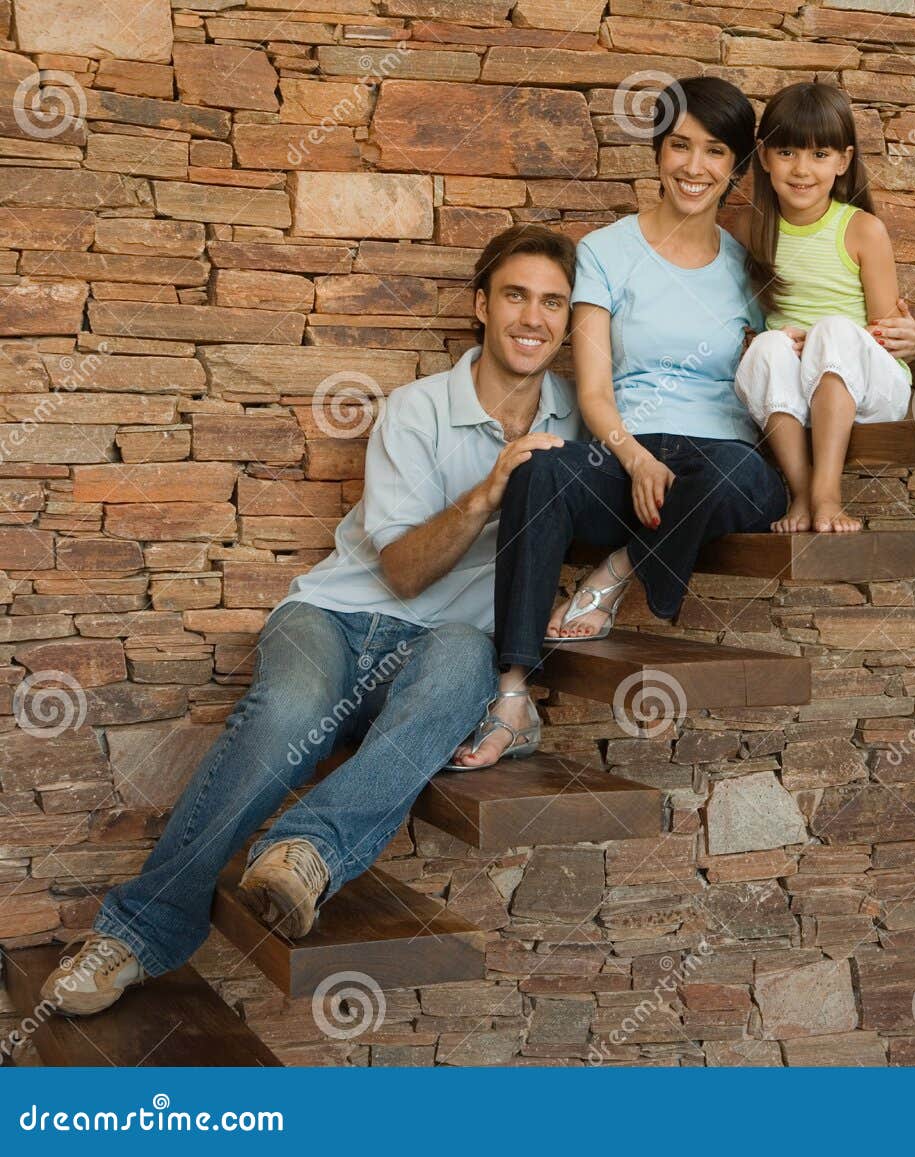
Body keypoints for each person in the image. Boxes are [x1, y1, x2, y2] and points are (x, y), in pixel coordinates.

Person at [44, 225, 584, 1014]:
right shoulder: (416, 409)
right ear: (481, 304)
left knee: (468, 656)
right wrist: (490, 489)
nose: (532, 317)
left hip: (437, 650)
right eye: (515, 295)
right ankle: (134, 931)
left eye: (553, 302)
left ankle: (305, 853)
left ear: (572, 321)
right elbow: (401, 572)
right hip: (335, 618)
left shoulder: (581, 422)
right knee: (293, 707)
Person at [447, 75, 915, 770]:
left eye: (713, 151)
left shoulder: (753, 262)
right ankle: (513, 697)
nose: (694, 167)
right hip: (625, 458)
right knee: (539, 466)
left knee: (731, 465)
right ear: (658, 153)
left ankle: (621, 566)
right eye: (679, 146)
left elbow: (822, 342)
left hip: (723, 467)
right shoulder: (605, 253)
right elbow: (596, 390)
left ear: (737, 166)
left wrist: (908, 338)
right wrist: (636, 458)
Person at [733, 82, 915, 534]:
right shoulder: (748, 229)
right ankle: (801, 492)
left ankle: (827, 493)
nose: (802, 169)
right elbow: (747, 322)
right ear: (763, 155)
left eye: (820, 155)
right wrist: (765, 340)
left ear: (843, 161)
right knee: (769, 346)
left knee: (833, 329)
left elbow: (886, 332)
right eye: (788, 152)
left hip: (870, 389)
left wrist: (911, 340)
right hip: (796, 392)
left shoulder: (862, 230)